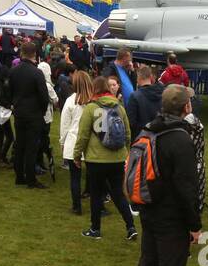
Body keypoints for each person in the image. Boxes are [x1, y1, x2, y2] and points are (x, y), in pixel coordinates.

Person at [131, 84, 203, 266]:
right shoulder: (180, 138)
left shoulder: (150, 128)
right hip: (170, 217)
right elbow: (186, 187)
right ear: (185, 107)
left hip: (149, 209)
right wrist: (195, 225)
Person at [73, 75, 136, 241]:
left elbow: (83, 136)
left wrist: (77, 155)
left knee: (96, 194)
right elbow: (128, 134)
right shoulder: (119, 107)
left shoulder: (91, 108)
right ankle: (130, 226)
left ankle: (95, 229)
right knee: (118, 194)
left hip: (96, 159)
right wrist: (125, 152)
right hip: (117, 158)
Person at [8, 41, 53, 188]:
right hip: (34, 114)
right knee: (31, 148)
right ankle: (31, 179)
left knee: (20, 145)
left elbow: (9, 92)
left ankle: (19, 176)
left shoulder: (13, 71)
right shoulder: (37, 72)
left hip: (19, 112)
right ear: (35, 54)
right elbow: (44, 97)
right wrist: (40, 111)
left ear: (21, 53)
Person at [60, 70, 93, 215]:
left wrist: (62, 142)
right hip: (91, 142)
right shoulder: (94, 101)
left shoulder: (70, 101)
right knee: (93, 176)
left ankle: (77, 207)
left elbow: (64, 125)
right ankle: (98, 206)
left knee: (75, 177)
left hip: (74, 142)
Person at [125, 63, 164, 141]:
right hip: (158, 137)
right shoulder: (162, 94)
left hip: (140, 139)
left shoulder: (135, 96)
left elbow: (130, 122)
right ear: (150, 77)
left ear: (138, 78)